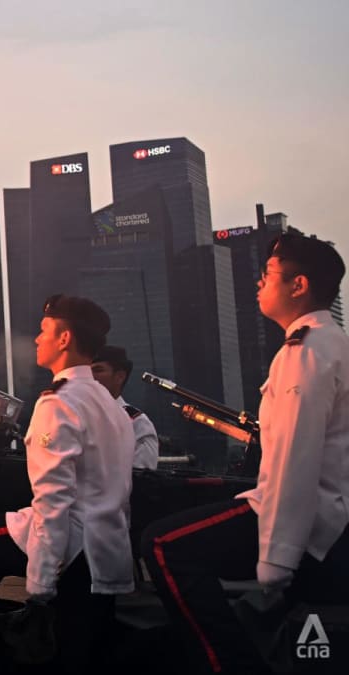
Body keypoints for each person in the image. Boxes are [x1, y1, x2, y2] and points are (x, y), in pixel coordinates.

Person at [139, 233, 349, 674]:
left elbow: (295, 459)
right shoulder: (330, 344)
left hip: (307, 521)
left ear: (299, 285)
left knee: (162, 545)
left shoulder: (305, 352)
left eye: (268, 274)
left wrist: (277, 558)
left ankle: (230, 664)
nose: (258, 283)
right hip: (326, 518)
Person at [0, 294, 135, 670]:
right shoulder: (110, 403)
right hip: (109, 549)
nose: (36, 338)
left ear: (64, 339)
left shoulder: (59, 402)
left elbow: (53, 502)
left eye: (44, 330)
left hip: (74, 547)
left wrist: (40, 585)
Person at [92, 344, 160, 469]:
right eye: (87, 371)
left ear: (119, 377)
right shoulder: (77, 416)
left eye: (98, 370)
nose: (90, 377)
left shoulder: (137, 423)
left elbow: (142, 477)